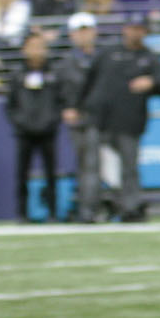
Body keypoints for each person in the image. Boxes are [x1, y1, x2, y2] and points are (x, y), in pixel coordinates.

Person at [83, 16, 160, 223]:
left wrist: (152, 82)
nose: (135, 32)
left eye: (140, 28)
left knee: (129, 167)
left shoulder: (149, 58)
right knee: (92, 166)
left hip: (130, 120)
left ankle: (131, 208)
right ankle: (89, 210)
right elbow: (88, 81)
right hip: (100, 118)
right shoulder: (107, 53)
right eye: (132, 28)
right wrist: (79, 107)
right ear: (124, 29)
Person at [5, 30, 62, 222]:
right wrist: (20, 122)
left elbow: (60, 100)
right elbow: (10, 104)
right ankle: (22, 213)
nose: (37, 51)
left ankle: (53, 212)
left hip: (48, 131)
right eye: (33, 46)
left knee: (51, 173)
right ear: (24, 49)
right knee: (22, 174)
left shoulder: (54, 72)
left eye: (40, 46)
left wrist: (52, 121)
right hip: (24, 131)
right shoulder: (17, 74)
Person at [56, 11, 103, 223]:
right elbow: (59, 92)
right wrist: (67, 108)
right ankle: (85, 208)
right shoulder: (65, 64)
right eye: (79, 31)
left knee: (96, 166)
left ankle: (93, 208)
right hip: (77, 120)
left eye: (87, 30)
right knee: (84, 165)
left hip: (103, 119)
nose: (84, 36)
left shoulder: (104, 59)